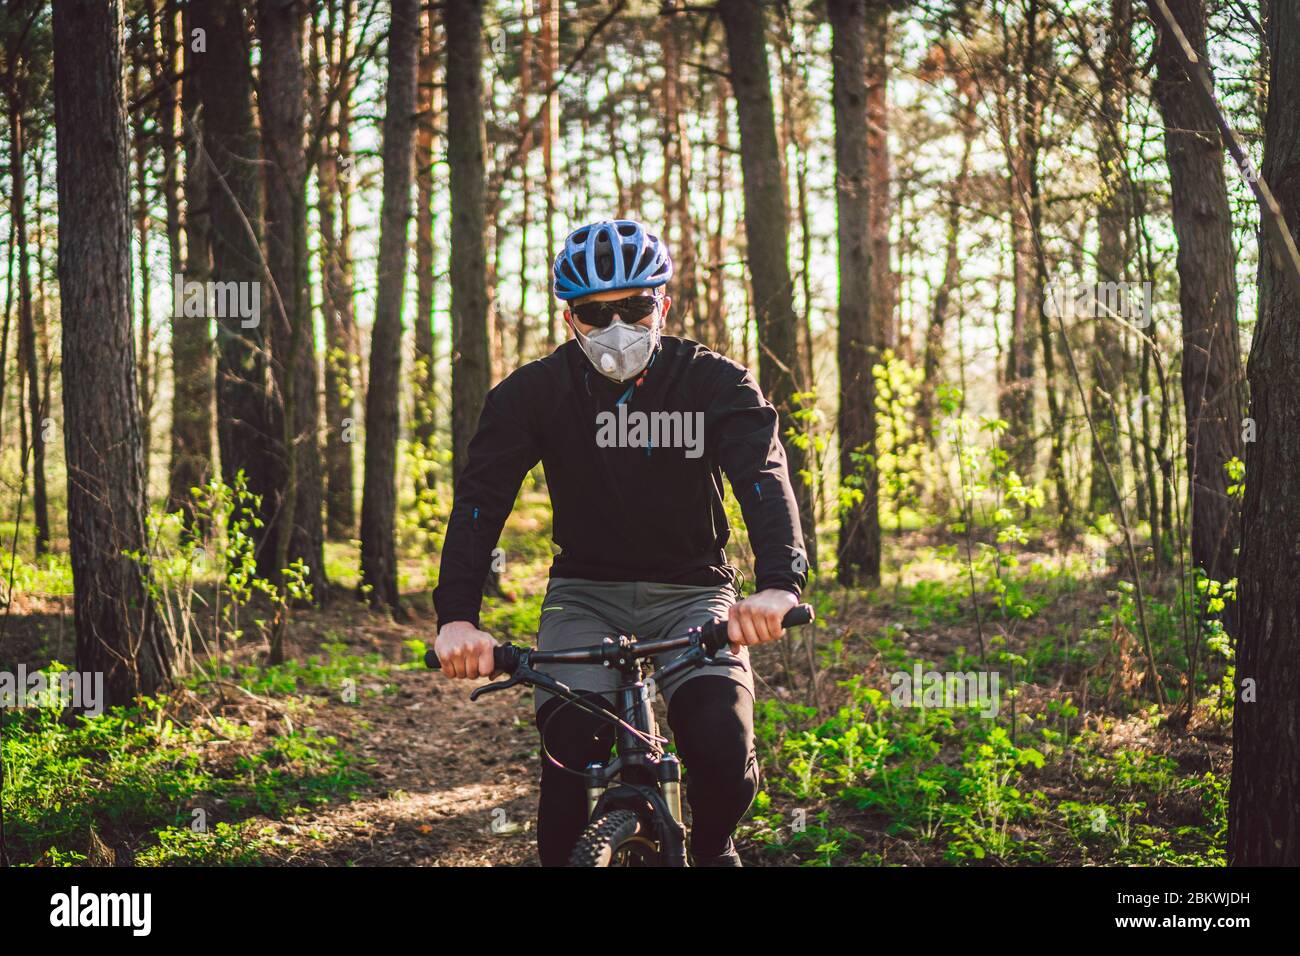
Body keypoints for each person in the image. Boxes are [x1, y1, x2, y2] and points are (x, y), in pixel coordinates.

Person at [432, 218, 808, 866]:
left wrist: (779, 584)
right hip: (586, 595)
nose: (616, 329)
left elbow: (763, 477)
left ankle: (714, 848)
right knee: (568, 757)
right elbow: (478, 503)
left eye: (634, 307)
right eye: (593, 313)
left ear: (664, 301)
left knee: (722, 746)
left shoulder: (714, 382)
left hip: (693, 589)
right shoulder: (533, 394)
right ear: (568, 319)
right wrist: (457, 618)